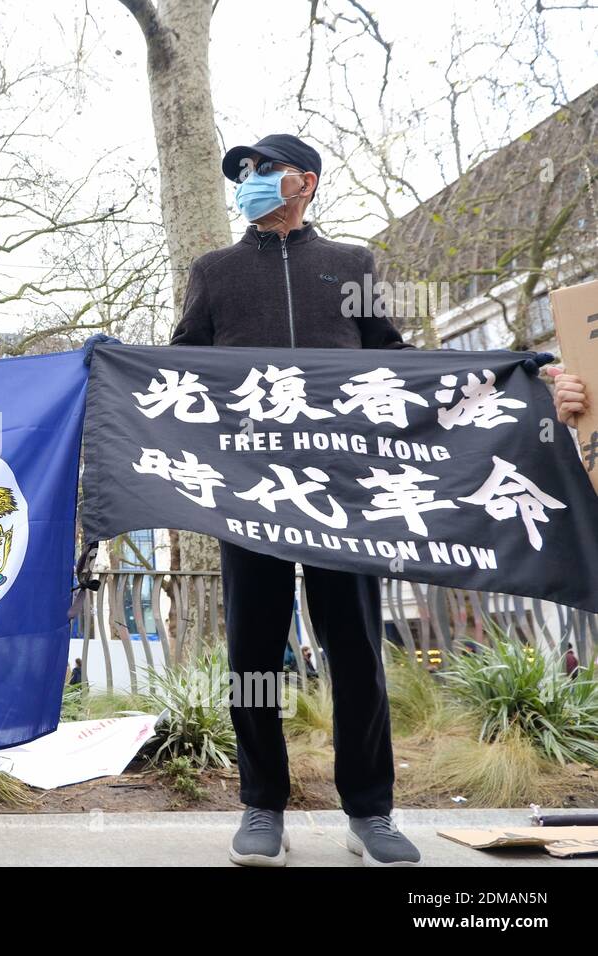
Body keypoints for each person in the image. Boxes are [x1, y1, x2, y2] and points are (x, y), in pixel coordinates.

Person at [171, 133, 421, 867]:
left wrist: (503, 371)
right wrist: (114, 363)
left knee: (358, 654)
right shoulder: (213, 273)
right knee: (253, 653)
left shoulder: (354, 265)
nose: (246, 179)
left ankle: (370, 814)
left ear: (304, 182)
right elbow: (180, 365)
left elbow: (396, 360)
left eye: (262, 169)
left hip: (343, 493)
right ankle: (261, 807)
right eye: (240, 171)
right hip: (248, 493)